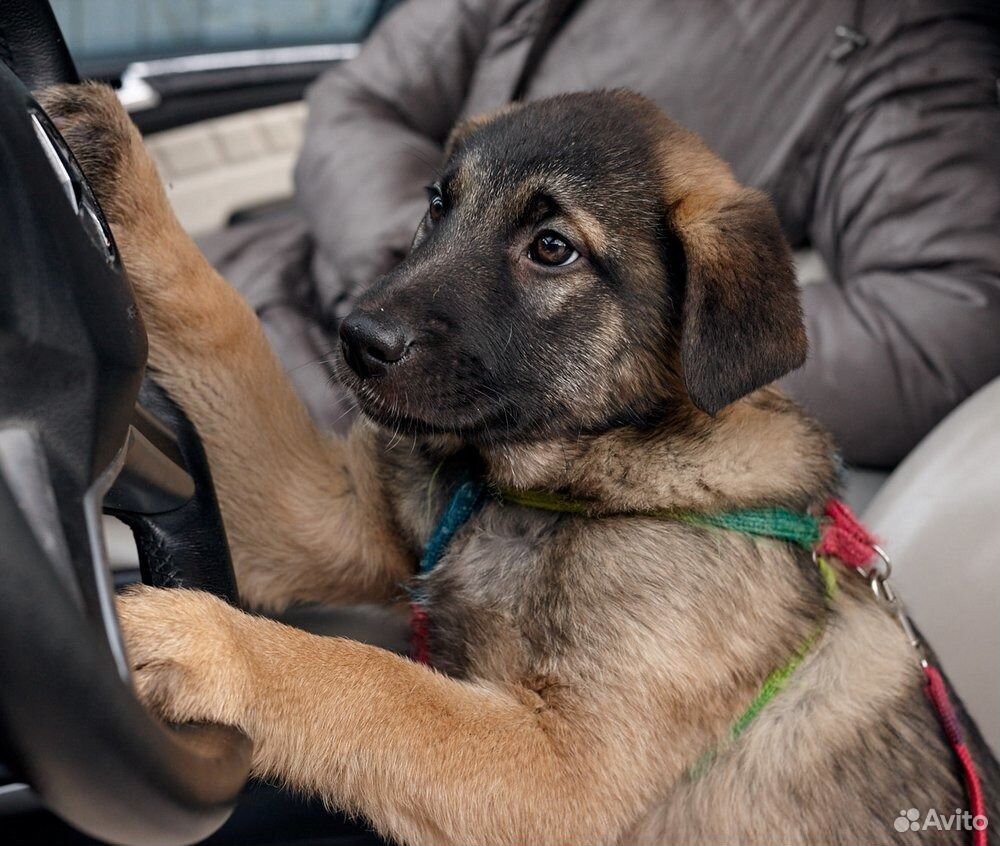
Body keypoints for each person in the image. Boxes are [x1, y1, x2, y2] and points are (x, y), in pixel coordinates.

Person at [201, 0, 1000, 469]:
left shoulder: (890, 37)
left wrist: (665, 349)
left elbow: (946, 318)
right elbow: (358, 103)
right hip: (323, 286)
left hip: (474, 427)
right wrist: (411, 259)